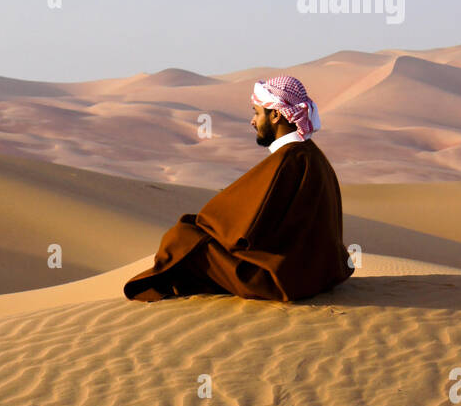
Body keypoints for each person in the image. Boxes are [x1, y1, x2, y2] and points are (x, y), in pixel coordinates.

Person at [124, 74, 354, 303]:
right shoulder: (312, 154)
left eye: (256, 112)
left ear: (275, 115)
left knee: (182, 237)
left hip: (282, 280)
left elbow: (243, 229)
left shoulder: (289, 160)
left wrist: (206, 224)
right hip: (318, 274)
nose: (253, 121)